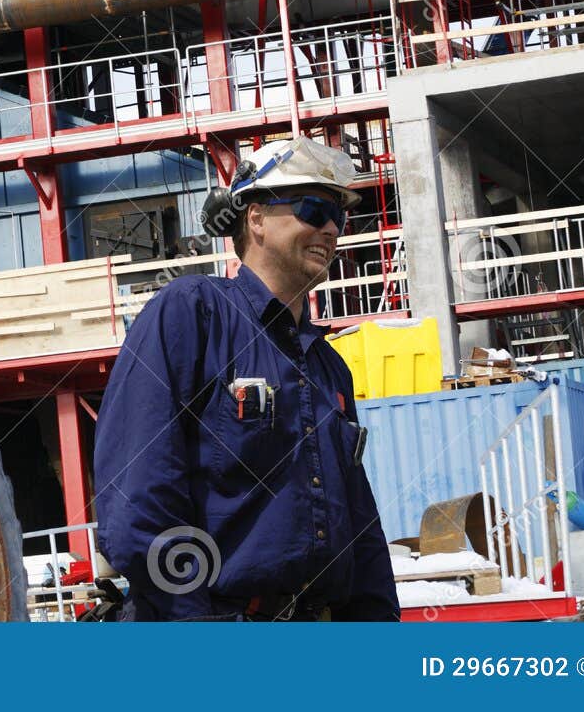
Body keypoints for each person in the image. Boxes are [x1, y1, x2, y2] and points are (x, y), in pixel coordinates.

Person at [92, 135, 399, 621]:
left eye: (339, 217)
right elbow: (139, 497)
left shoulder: (328, 366)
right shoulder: (193, 314)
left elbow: (360, 524)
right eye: (314, 209)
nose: (330, 229)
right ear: (255, 217)